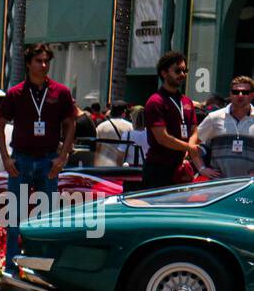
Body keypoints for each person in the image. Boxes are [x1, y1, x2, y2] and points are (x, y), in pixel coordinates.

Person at [0, 42, 76, 276]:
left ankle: (41, 271)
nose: (43, 65)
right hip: (21, 160)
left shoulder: (61, 92)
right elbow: (0, 126)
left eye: (46, 61)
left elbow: (70, 124)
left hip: (48, 161)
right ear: (29, 64)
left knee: (46, 220)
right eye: (39, 61)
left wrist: (62, 157)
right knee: (15, 219)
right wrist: (6, 159)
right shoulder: (15, 93)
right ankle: (11, 269)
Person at [142, 51, 201, 189]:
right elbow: (162, 138)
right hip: (159, 169)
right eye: (177, 71)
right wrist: (189, 147)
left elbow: (194, 131)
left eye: (184, 71)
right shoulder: (155, 101)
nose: (182, 74)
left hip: (182, 167)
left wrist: (188, 150)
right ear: (164, 73)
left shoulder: (187, 101)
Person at [195, 76, 254, 179]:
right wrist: (202, 168)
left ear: (252, 95)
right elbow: (193, 143)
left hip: (249, 184)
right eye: (235, 92)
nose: (240, 95)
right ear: (230, 94)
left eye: (245, 92)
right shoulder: (214, 118)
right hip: (220, 183)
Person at [92, 101, 133, 167]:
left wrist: (95, 166)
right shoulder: (130, 127)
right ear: (124, 112)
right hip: (122, 167)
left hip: (102, 166)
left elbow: (97, 149)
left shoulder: (101, 127)